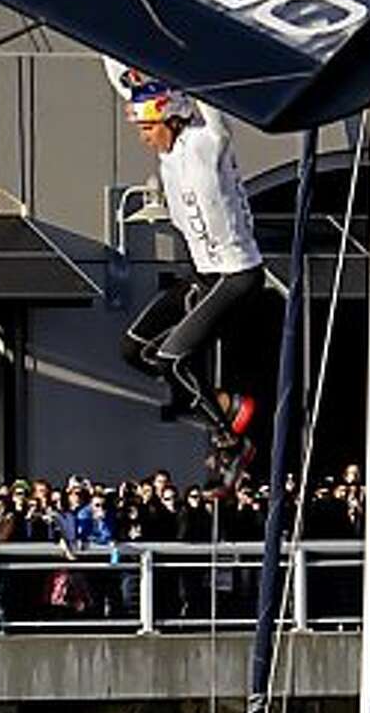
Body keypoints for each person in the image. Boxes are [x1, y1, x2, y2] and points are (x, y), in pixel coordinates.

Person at [105, 58, 264, 474]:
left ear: (173, 120)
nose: (144, 139)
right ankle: (227, 405)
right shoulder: (170, 151)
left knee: (171, 359)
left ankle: (232, 442)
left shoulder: (205, 142)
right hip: (202, 274)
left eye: (148, 129)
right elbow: (122, 80)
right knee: (133, 350)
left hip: (236, 275)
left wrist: (184, 61)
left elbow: (209, 90)